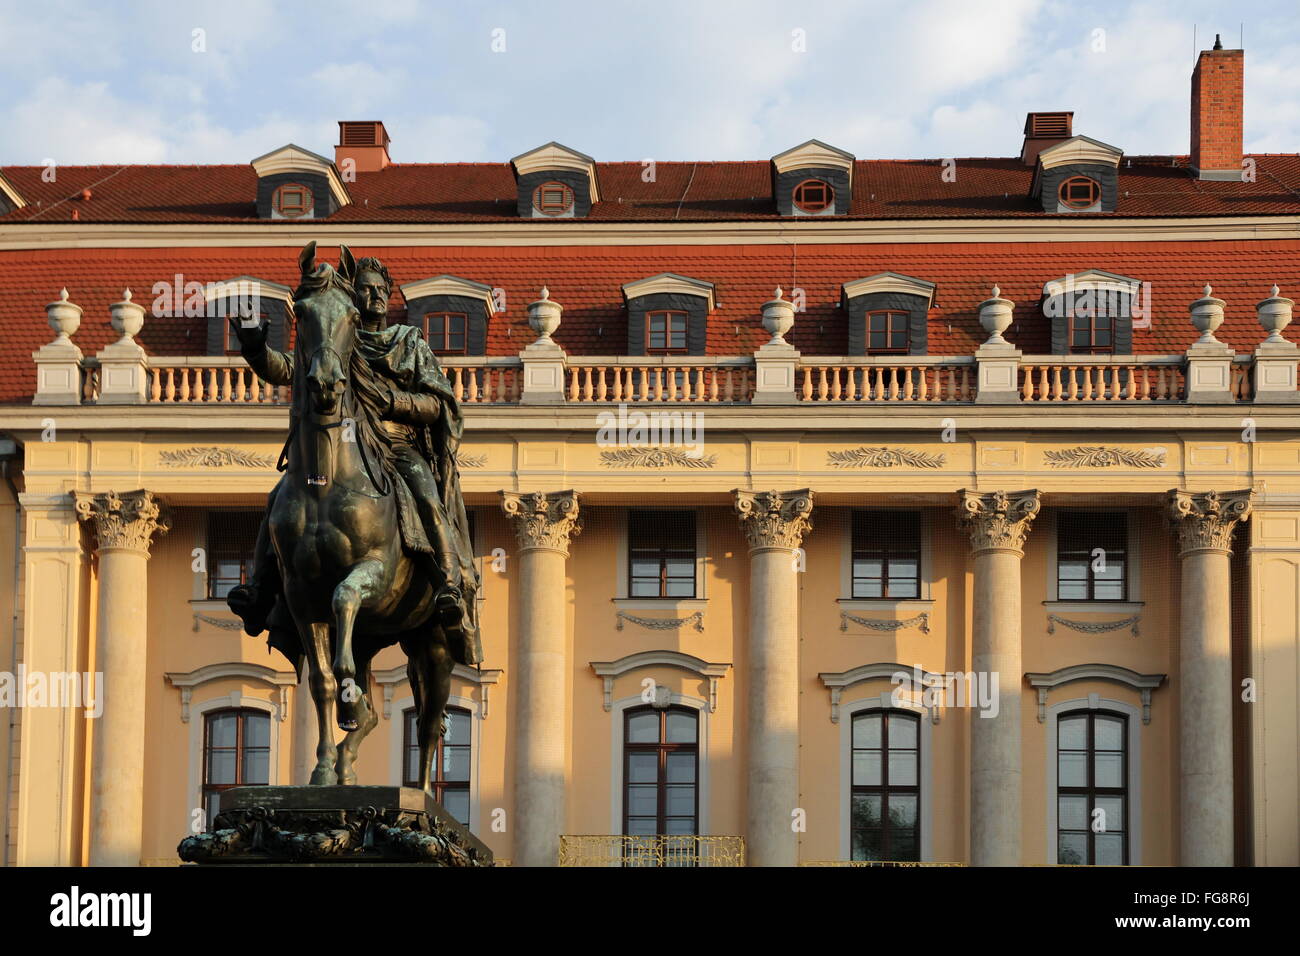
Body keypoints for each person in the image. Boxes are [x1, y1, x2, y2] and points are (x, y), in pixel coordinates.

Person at [226, 254, 482, 668]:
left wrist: (393, 402)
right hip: (347, 448)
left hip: (397, 447)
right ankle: (258, 589)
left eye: (381, 289)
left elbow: (439, 405)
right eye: (365, 288)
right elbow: (287, 369)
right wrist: (255, 350)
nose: (375, 295)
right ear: (353, 295)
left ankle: (450, 585)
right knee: (280, 497)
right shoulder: (337, 341)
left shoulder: (408, 341)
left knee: (427, 496)